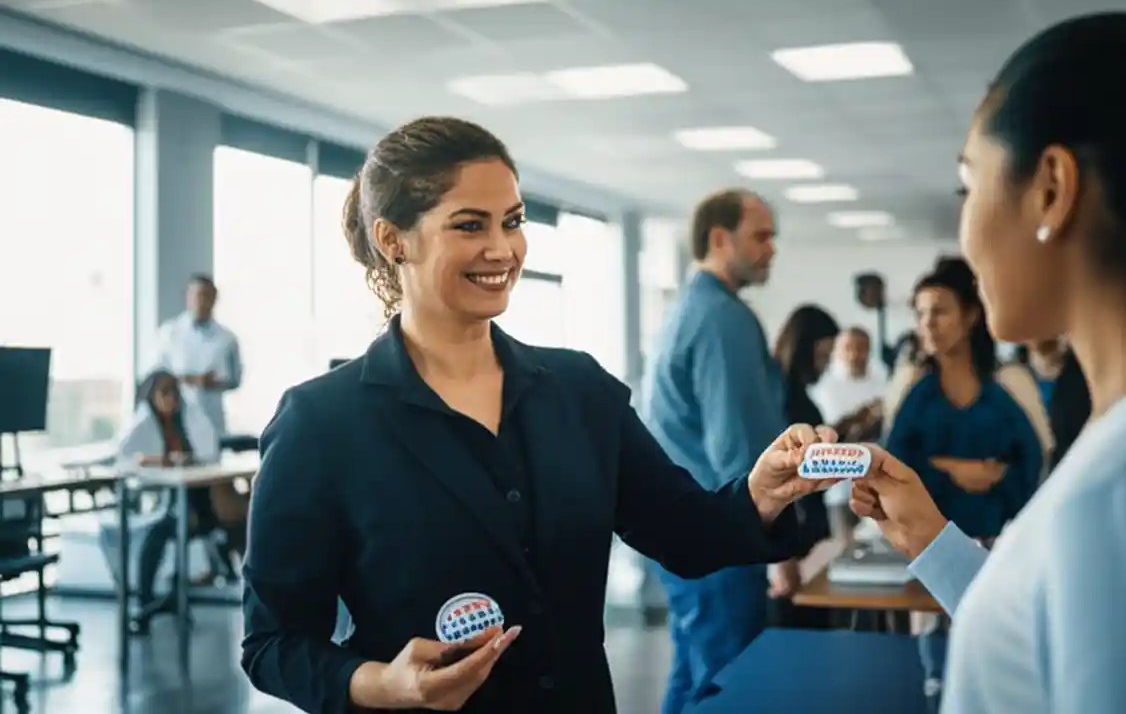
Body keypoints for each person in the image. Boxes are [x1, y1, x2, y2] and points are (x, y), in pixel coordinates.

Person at [239, 117, 838, 714]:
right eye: (469, 225)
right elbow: (274, 642)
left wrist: (758, 495)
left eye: (513, 221)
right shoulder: (321, 424)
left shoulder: (579, 392)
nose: (502, 249)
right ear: (394, 240)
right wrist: (384, 683)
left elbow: (682, 530)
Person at [852, 9, 1126, 712]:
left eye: (970, 185)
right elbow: (1048, 644)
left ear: (1051, 188)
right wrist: (933, 540)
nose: (966, 228)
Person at [638, 187, 790, 714]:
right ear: (720, 238)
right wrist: (772, 544)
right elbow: (739, 448)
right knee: (729, 683)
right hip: (721, 539)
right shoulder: (723, 319)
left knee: (695, 677)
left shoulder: (689, 310)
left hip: (690, 536)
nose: (771, 248)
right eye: (761, 235)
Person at [886, 258, 1044, 702]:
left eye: (938, 312)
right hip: (932, 547)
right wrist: (956, 470)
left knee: (992, 666)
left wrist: (996, 477)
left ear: (970, 316)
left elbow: (1029, 465)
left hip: (998, 548)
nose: (927, 325)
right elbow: (893, 466)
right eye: (919, 314)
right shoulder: (917, 395)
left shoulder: (1004, 392)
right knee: (935, 675)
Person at [106, 369, 238, 631]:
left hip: (192, 506)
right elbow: (127, 460)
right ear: (152, 396)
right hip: (161, 505)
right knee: (156, 534)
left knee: (207, 509)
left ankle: (219, 557)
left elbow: (206, 452)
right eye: (164, 394)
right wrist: (162, 461)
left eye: (175, 394)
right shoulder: (144, 426)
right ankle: (146, 603)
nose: (171, 400)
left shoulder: (184, 422)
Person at [767, 304, 840, 628]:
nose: (825, 365)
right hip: (794, 542)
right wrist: (782, 555)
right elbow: (782, 478)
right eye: (823, 355)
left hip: (804, 537)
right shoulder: (783, 402)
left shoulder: (791, 396)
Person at [154, 274, 242, 440]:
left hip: (212, 419)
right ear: (187, 297)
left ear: (215, 298)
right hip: (175, 418)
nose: (201, 302)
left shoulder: (227, 338)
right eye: (197, 295)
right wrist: (192, 379)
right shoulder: (169, 333)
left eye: (207, 296)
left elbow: (235, 380)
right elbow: (157, 377)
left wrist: (212, 383)